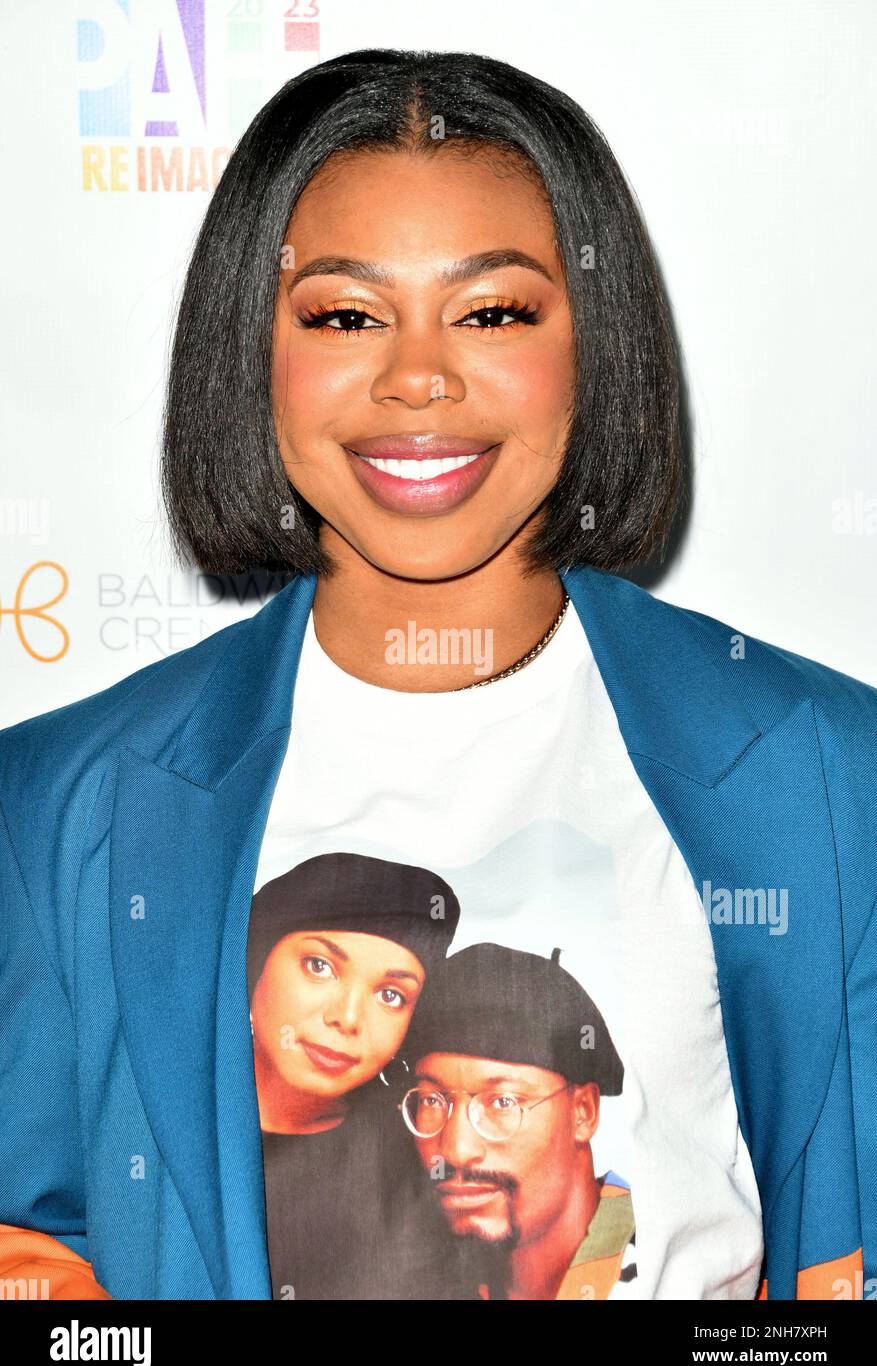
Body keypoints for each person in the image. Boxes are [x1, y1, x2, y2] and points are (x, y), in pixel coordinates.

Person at [0, 48, 874, 1302]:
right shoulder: (56, 804)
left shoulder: (831, 775)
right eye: (346, 316)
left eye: (494, 312)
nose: (419, 378)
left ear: (593, 342)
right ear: (253, 351)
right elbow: (35, 1252)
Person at [245, 851, 474, 1299]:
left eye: (391, 994)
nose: (347, 1018)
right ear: (256, 965)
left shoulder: (418, 1165)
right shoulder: (161, 1110)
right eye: (319, 966)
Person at [399, 942, 637, 1300]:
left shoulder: (683, 1268)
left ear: (583, 1112)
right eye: (433, 1100)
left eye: (503, 1102)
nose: (456, 1150)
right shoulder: (404, 1274)